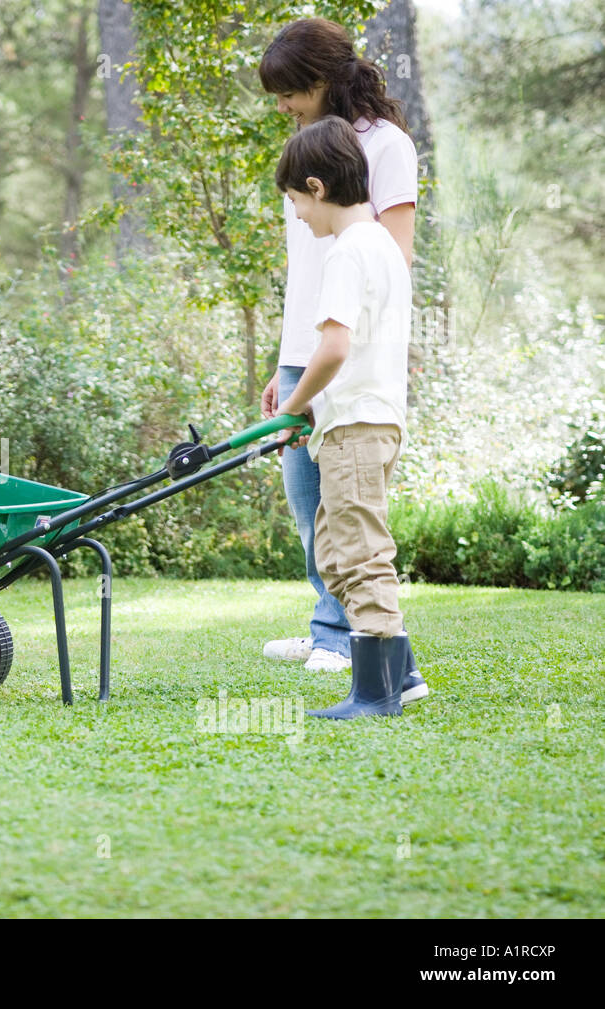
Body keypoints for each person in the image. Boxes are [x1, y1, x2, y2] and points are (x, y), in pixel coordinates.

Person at [256, 17, 426, 703]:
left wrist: (346, 348)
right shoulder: (310, 150)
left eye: (289, 92)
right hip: (309, 347)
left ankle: (345, 639)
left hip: (347, 354)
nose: (282, 107)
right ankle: (335, 623)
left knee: (350, 512)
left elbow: (393, 259)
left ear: (321, 79)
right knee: (313, 510)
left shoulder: (385, 147)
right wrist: (283, 363)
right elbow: (306, 271)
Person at [272, 116, 413, 718]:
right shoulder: (381, 242)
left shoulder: (347, 252)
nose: (299, 216)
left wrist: (293, 407)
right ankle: (400, 675)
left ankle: (375, 692)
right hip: (365, 419)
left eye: (297, 202)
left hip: (355, 423)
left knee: (360, 553)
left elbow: (331, 349)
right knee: (336, 549)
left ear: (317, 187)